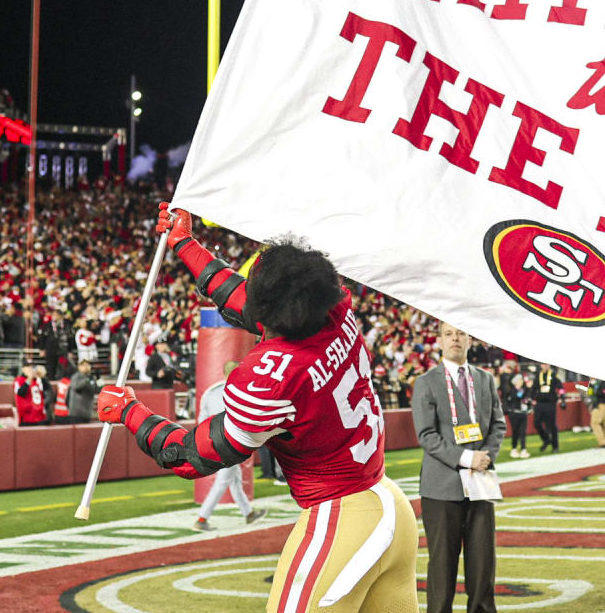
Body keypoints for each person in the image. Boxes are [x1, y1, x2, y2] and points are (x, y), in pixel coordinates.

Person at [98, 203, 417, 612]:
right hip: (390, 502)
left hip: (342, 517)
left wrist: (130, 411)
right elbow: (246, 301)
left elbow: (190, 456)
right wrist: (184, 244)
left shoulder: (274, 375)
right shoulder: (335, 312)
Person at [411, 321, 506, 613]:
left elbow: (498, 425)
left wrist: (485, 457)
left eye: (461, 333)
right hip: (442, 487)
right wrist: (467, 458)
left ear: (469, 340)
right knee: (442, 565)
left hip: (480, 482)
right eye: (449, 334)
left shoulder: (485, 379)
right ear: (439, 341)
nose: (455, 338)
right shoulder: (426, 382)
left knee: (483, 562)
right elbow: (426, 435)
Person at [191, 363, 267, 531]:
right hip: (230, 444)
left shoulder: (211, 392)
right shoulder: (241, 391)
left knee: (235, 480)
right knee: (223, 482)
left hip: (213, 442)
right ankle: (202, 519)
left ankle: (249, 514)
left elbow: (201, 420)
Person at [532, 364, 564, 452]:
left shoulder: (554, 375)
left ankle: (555, 446)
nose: (545, 366)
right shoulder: (538, 375)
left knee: (551, 425)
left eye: (546, 364)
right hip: (539, 403)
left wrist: (562, 399)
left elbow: (560, 387)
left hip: (550, 403)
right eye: (543, 364)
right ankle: (546, 440)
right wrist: (531, 398)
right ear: (541, 365)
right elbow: (533, 388)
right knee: (536, 423)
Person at [501, 371, 532, 459]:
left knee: (522, 432)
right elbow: (518, 396)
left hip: (523, 413)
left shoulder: (523, 390)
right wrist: (527, 388)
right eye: (520, 380)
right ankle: (514, 448)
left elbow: (527, 398)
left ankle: (523, 449)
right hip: (514, 414)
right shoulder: (512, 391)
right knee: (515, 432)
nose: (522, 381)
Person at [68, 357, 100, 423]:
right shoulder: (76, 377)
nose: (86, 367)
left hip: (87, 413)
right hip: (76, 414)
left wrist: (99, 379)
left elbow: (97, 390)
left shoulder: (91, 377)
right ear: (79, 367)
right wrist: (86, 379)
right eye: (83, 365)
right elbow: (76, 387)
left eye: (87, 364)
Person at [589, 378, 605, 448]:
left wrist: (594, 387)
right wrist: (591, 385)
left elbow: (603, 392)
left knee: (595, 423)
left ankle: (603, 442)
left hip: (601, 404)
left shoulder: (603, 382)